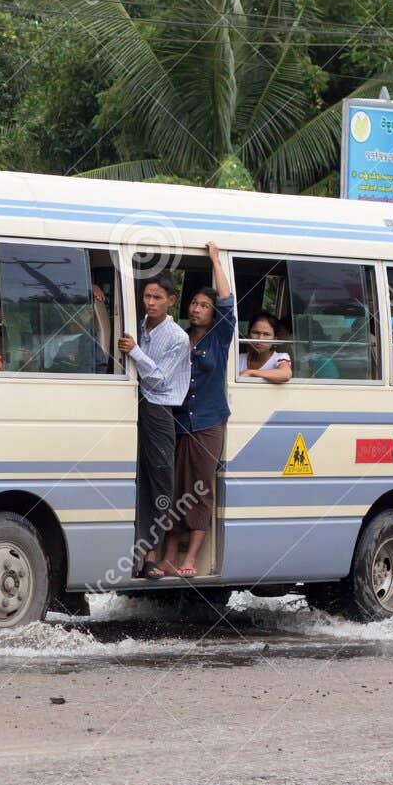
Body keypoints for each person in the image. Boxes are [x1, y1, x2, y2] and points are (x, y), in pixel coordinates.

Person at [156, 243, 235, 579]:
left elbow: (228, 301)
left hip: (207, 424)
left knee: (200, 489)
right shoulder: (178, 337)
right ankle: (168, 556)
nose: (197, 309)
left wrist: (216, 260)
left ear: (213, 313)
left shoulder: (219, 338)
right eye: (194, 303)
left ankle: (191, 557)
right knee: (173, 490)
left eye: (204, 305)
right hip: (176, 423)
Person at [117, 273, 191, 579]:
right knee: (133, 477)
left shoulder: (177, 338)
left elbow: (159, 379)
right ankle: (135, 555)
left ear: (171, 300)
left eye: (157, 297)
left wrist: (134, 351)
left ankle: (150, 555)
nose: (150, 303)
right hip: (133, 404)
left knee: (160, 482)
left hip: (159, 410)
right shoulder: (138, 327)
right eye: (147, 296)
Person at [240, 313, 293, 382]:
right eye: (256, 333)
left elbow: (286, 374)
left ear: (275, 338)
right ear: (248, 335)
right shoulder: (239, 359)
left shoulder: (280, 358)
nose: (260, 339)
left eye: (266, 334)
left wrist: (250, 372)